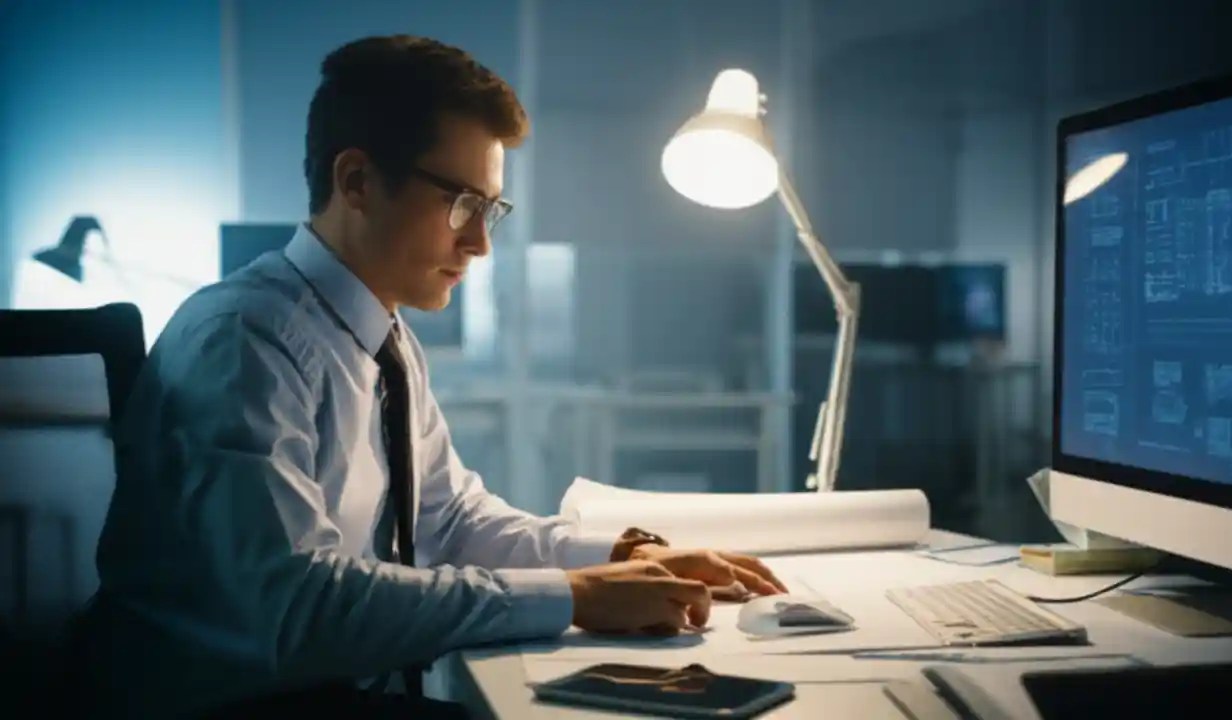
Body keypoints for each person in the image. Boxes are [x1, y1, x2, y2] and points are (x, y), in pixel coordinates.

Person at [68, 34, 787, 718]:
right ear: (357, 181)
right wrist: (574, 595)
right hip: (228, 711)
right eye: (462, 203)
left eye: (490, 210)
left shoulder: (384, 339)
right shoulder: (244, 342)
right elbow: (291, 608)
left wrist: (622, 557)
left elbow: (449, 520)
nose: (479, 243)